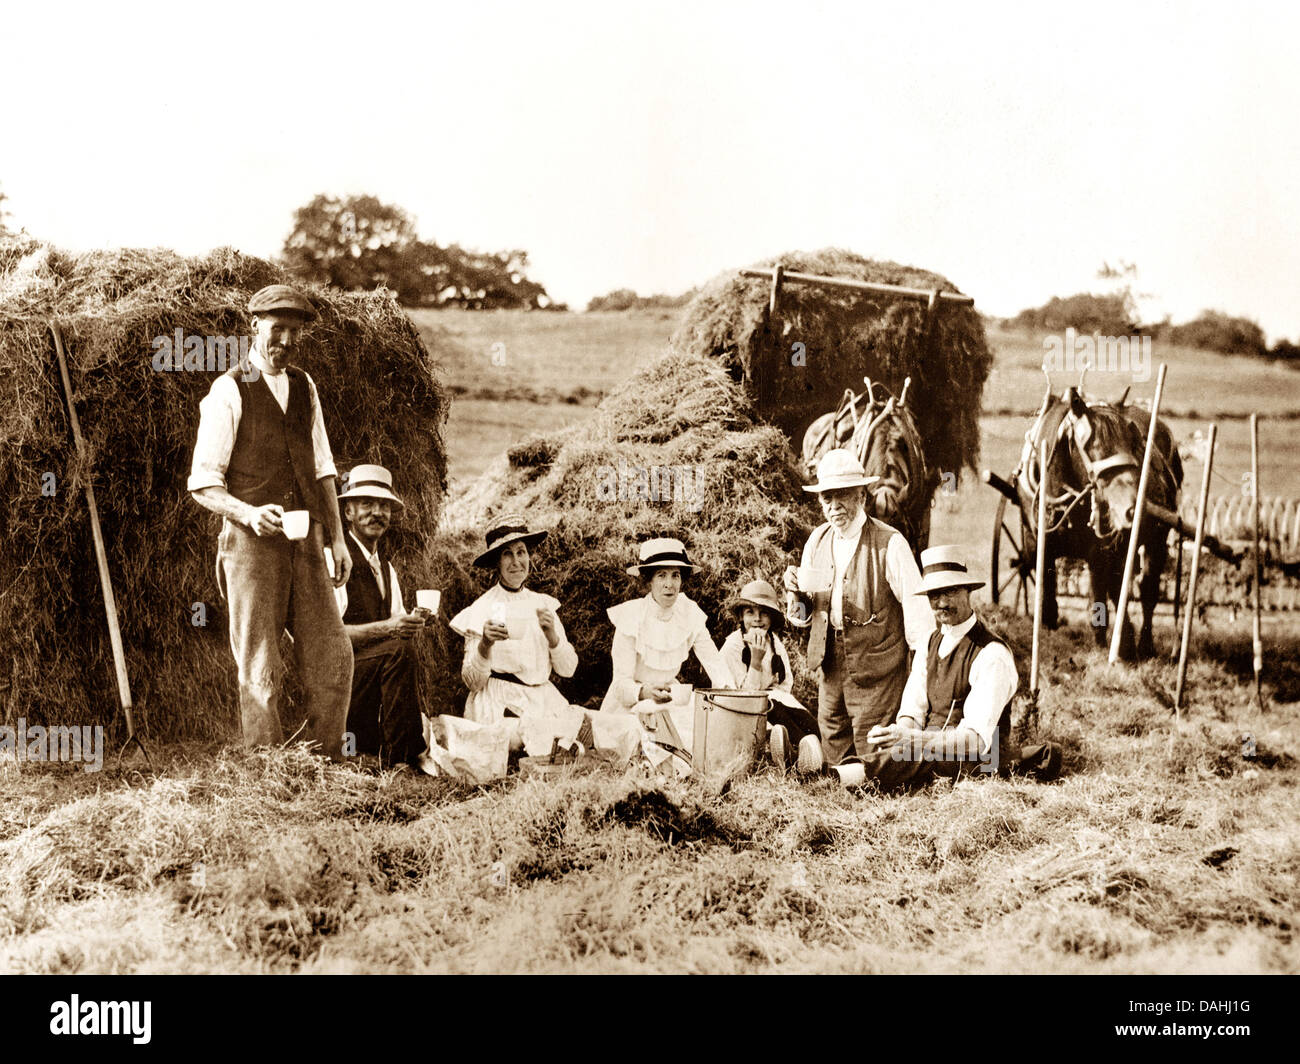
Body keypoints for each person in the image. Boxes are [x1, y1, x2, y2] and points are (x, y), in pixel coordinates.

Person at [189, 284, 353, 759]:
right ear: (253, 327)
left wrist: (337, 540)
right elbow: (202, 483)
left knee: (332, 655)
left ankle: (326, 762)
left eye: (294, 332)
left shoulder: (305, 386)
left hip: (306, 540)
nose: (284, 340)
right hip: (251, 546)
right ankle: (267, 768)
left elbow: (323, 469)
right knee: (260, 661)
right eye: (276, 329)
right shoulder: (229, 390)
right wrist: (248, 513)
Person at [807, 546, 1060, 788]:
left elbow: (975, 741)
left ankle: (827, 777)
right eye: (934, 594)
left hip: (978, 759)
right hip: (931, 749)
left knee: (909, 761)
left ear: (968, 591)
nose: (941, 603)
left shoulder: (991, 654)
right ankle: (821, 771)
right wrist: (899, 734)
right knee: (893, 752)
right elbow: (913, 710)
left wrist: (913, 741)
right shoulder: (929, 642)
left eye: (950, 592)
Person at [783, 448, 934, 768]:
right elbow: (802, 619)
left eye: (843, 497)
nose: (834, 507)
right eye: (827, 499)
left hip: (878, 673)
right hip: (830, 669)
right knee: (833, 752)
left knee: (875, 758)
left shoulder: (890, 544)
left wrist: (915, 697)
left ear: (862, 496)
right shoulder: (817, 542)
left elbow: (922, 630)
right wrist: (794, 595)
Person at [329, 464, 432, 772]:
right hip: (337, 678)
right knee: (399, 651)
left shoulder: (387, 568)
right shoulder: (334, 559)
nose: (377, 513)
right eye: (367, 505)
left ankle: (397, 750)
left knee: (403, 649)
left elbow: (396, 632)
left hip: (369, 677)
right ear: (348, 512)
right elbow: (329, 637)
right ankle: (400, 759)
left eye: (384, 506)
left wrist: (413, 623)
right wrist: (389, 629)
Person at [599, 538, 733, 775]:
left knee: (705, 732)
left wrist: (731, 700)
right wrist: (644, 691)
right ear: (648, 580)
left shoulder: (689, 612)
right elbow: (620, 685)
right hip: (632, 704)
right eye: (661, 575)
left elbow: (715, 663)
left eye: (675, 575)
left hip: (671, 699)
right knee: (644, 747)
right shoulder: (631, 617)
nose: (669, 584)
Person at [718, 578, 821, 771]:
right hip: (744, 710)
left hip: (773, 702)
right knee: (774, 708)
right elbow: (741, 697)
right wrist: (755, 661)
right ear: (741, 617)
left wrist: (775, 693)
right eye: (750, 613)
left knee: (805, 718)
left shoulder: (774, 642)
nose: (757, 619)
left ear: (771, 618)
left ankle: (810, 748)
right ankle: (798, 754)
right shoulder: (733, 646)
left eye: (763, 613)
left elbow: (785, 682)